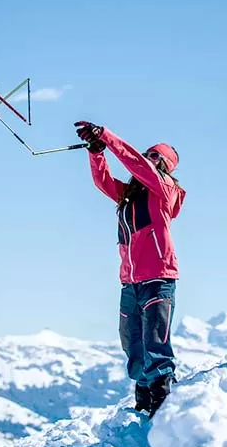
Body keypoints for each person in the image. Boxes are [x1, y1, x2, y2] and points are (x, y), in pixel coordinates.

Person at [74, 121, 186, 417]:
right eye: (149, 153)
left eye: (155, 156)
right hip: (131, 282)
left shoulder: (164, 188)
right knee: (131, 341)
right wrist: (96, 152)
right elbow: (104, 183)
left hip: (158, 278)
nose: (149, 157)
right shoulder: (130, 196)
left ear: (165, 166)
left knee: (155, 341)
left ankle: (163, 399)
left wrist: (106, 136)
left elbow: (135, 162)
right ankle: (144, 394)